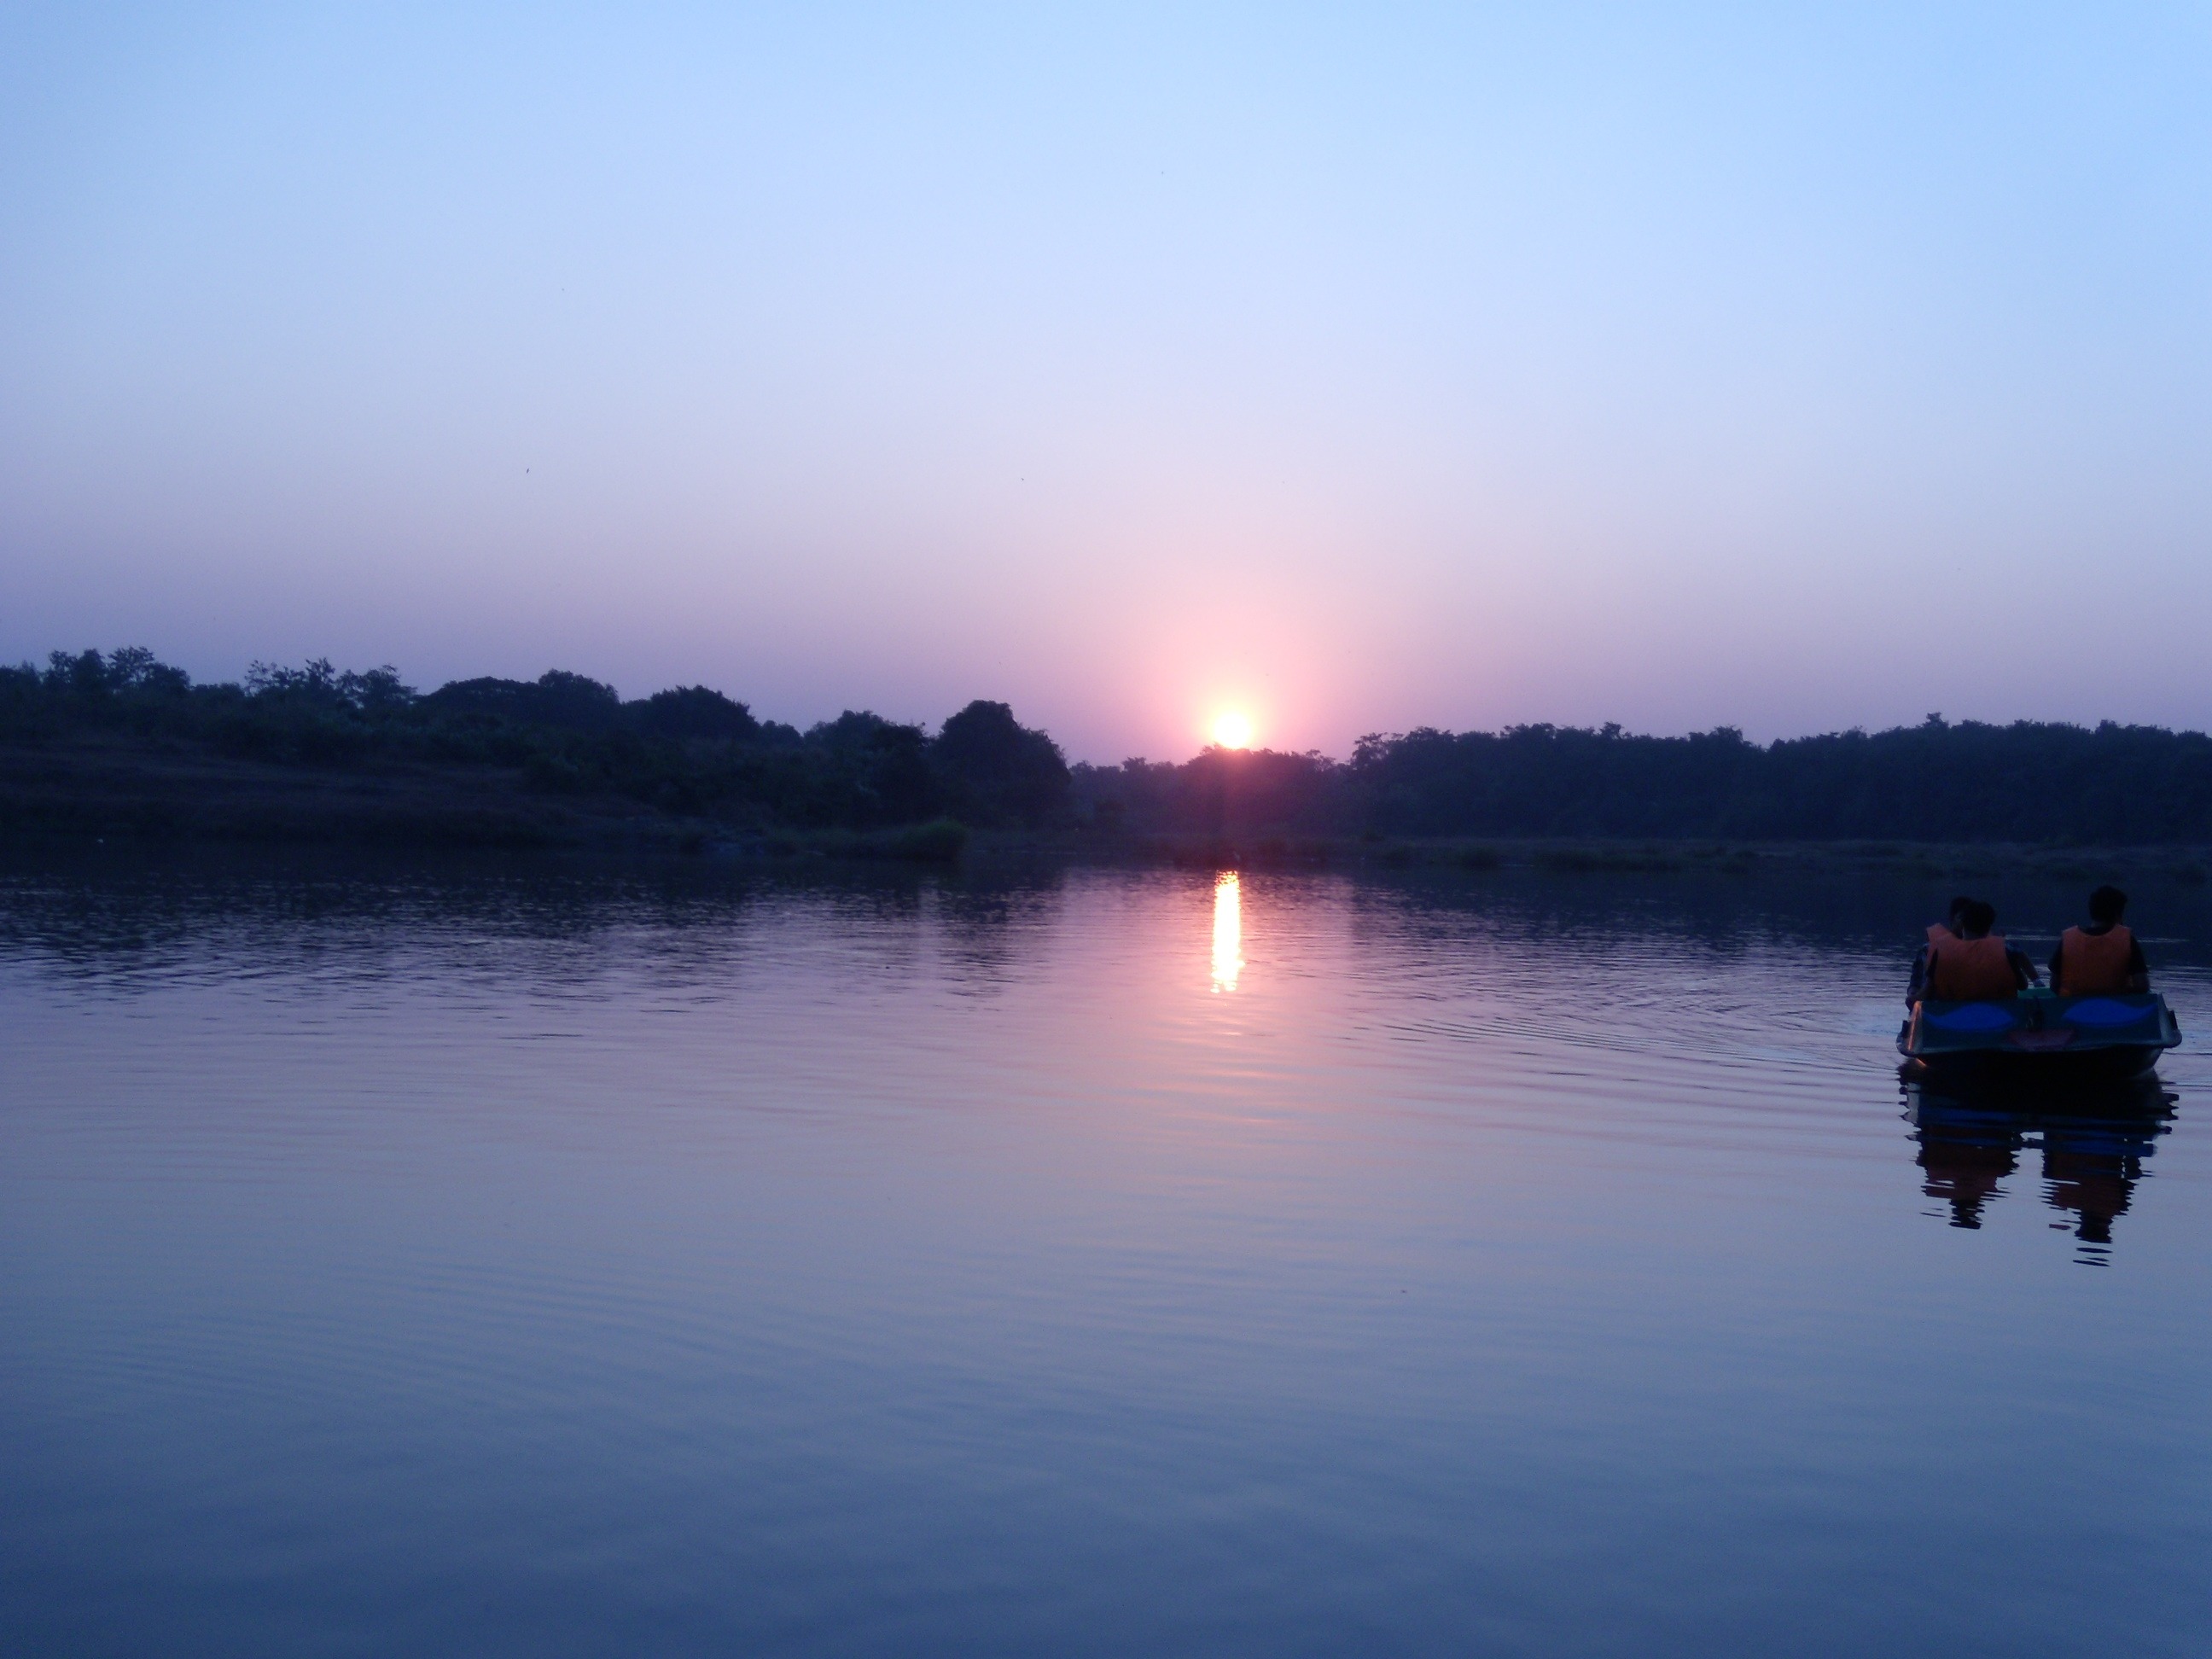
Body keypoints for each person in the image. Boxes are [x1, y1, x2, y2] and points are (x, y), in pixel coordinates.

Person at [1907, 898, 2038, 1004]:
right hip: (2001, 1016)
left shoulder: (1939, 952)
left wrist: (1912, 999)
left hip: (1950, 1017)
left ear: (1964, 925)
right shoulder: (2007, 950)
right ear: (1989, 925)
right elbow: (2023, 985)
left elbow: (1925, 993)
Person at [2049, 885, 2149, 996]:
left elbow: (2054, 985)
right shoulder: (2127, 940)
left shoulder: (2068, 940)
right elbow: (2142, 986)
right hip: (2116, 1008)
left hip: (2072, 1009)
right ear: (2117, 915)